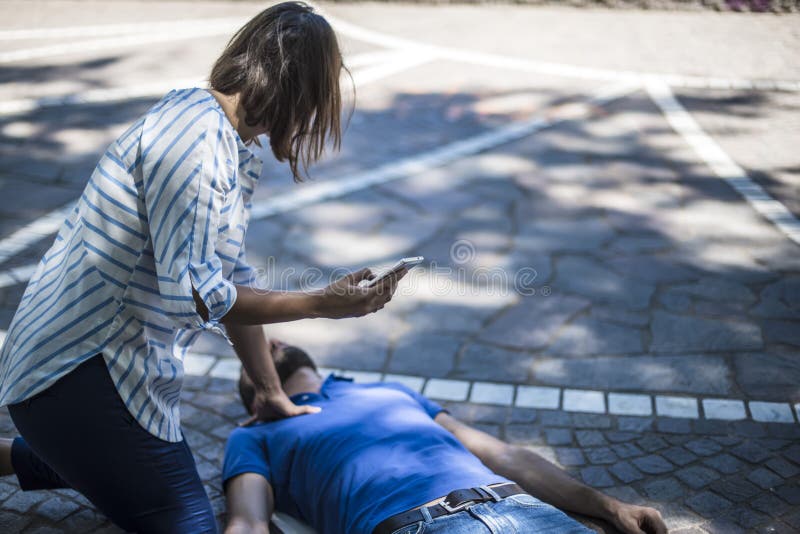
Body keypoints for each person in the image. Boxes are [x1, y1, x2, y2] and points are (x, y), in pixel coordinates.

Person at [0, 3, 403, 532]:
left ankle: (33, 452)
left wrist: (269, 390)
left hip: (81, 369)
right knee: (188, 520)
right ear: (299, 91)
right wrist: (320, 305)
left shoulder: (223, 137)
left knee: (104, 466)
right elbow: (196, 295)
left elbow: (230, 277)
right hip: (78, 370)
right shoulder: (195, 140)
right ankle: (65, 443)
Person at [222, 340, 668, 534]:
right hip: (416, 526)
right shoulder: (255, 435)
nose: (270, 339)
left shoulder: (387, 390)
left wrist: (610, 507)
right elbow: (248, 521)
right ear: (254, 400)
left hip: (519, 505)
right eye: (250, 356)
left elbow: (502, 454)